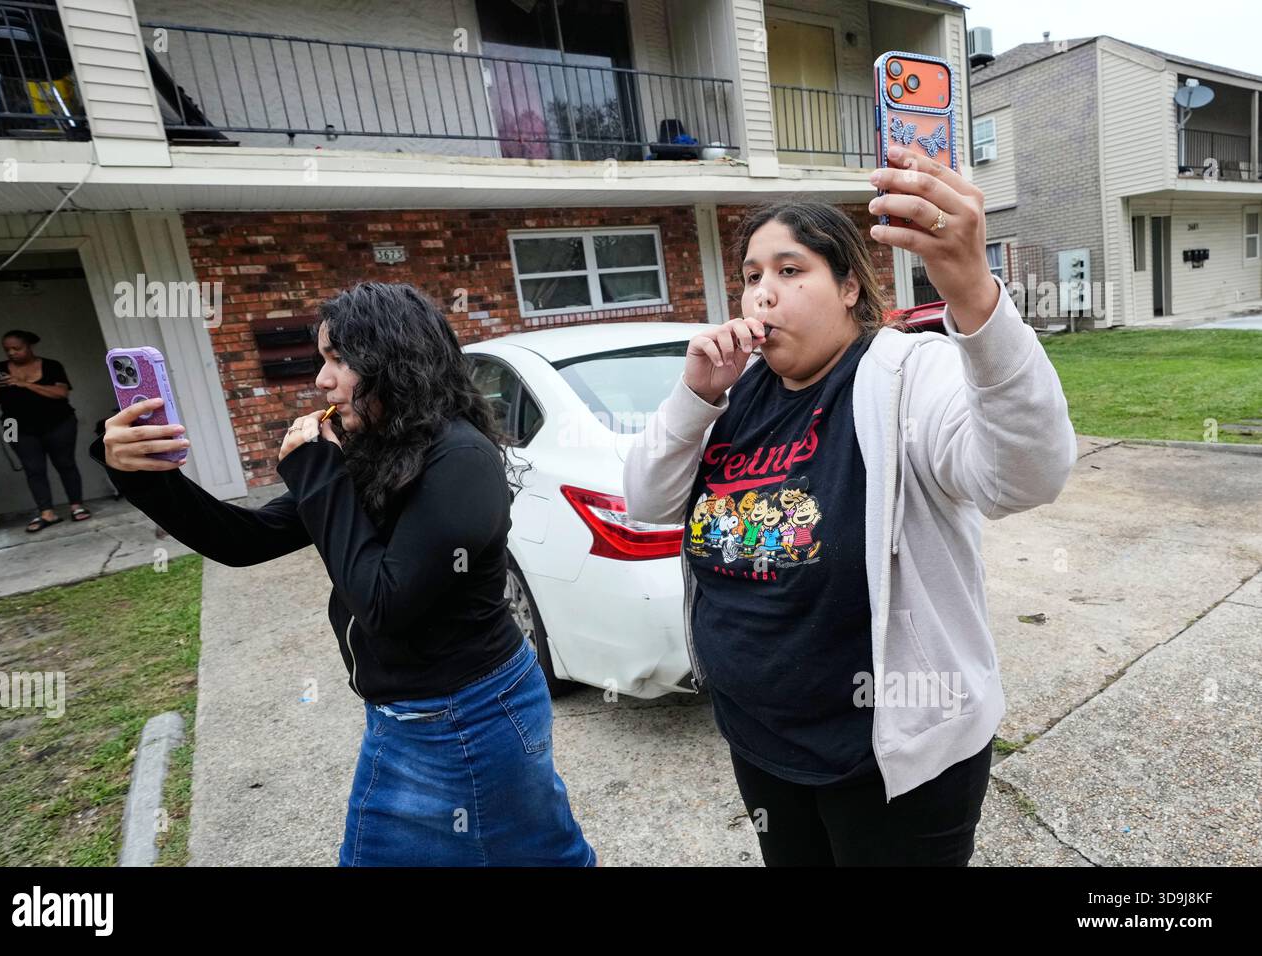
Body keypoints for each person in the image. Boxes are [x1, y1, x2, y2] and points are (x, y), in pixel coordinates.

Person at [623, 145, 1077, 866]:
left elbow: (1026, 475)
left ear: (849, 291)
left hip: (891, 760)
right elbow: (646, 500)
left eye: (790, 270)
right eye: (750, 277)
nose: (762, 293)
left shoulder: (905, 374)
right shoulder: (734, 396)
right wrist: (695, 395)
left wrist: (975, 299)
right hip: (761, 741)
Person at [91, 282, 595, 867]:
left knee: (543, 855)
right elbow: (240, 540)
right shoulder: (372, 449)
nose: (321, 381)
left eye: (339, 360)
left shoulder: (460, 461)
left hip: (470, 716)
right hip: (403, 713)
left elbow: (385, 603)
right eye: (321, 360)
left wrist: (316, 473)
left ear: (396, 362)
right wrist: (140, 474)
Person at [0, 329, 90, 531]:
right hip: (14, 426)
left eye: (17, 348)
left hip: (60, 422)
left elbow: (61, 393)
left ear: (29, 346)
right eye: (7, 350)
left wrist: (23, 384)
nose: (12, 353)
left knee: (65, 463)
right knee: (33, 469)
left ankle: (76, 506)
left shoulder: (51, 366)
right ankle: (46, 513)